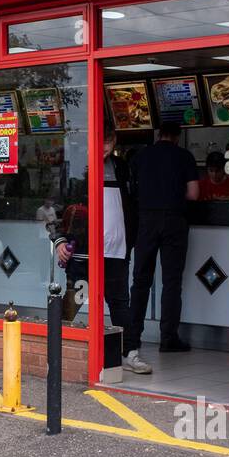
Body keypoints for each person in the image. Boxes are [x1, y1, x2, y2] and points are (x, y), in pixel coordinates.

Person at [57, 123, 146, 373]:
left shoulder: (123, 167)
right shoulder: (77, 166)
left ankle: (129, 352)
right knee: (76, 296)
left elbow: (134, 204)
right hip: (84, 250)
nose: (104, 147)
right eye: (99, 140)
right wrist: (60, 240)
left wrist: (131, 241)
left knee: (119, 303)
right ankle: (57, 344)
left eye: (107, 141)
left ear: (114, 140)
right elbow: (57, 205)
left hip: (117, 250)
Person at [129, 120, 199, 353]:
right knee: (172, 282)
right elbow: (193, 193)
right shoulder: (185, 156)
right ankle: (168, 338)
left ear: (158, 133)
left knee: (140, 281)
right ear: (178, 135)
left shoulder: (141, 156)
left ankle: (133, 337)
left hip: (146, 220)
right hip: (175, 221)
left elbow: (133, 190)